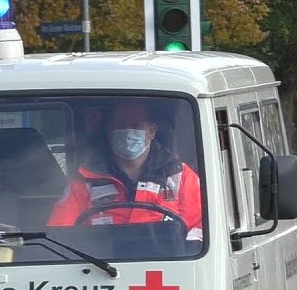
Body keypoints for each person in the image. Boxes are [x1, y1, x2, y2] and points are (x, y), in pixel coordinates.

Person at [46, 101, 203, 242]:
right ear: (109, 132)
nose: (128, 132)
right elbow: (59, 236)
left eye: (136, 126)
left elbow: (202, 228)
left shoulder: (180, 176)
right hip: (100, 269)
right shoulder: (83, 182)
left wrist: (184, 251)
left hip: (168, 269)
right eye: (120, 125)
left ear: (151, 131)